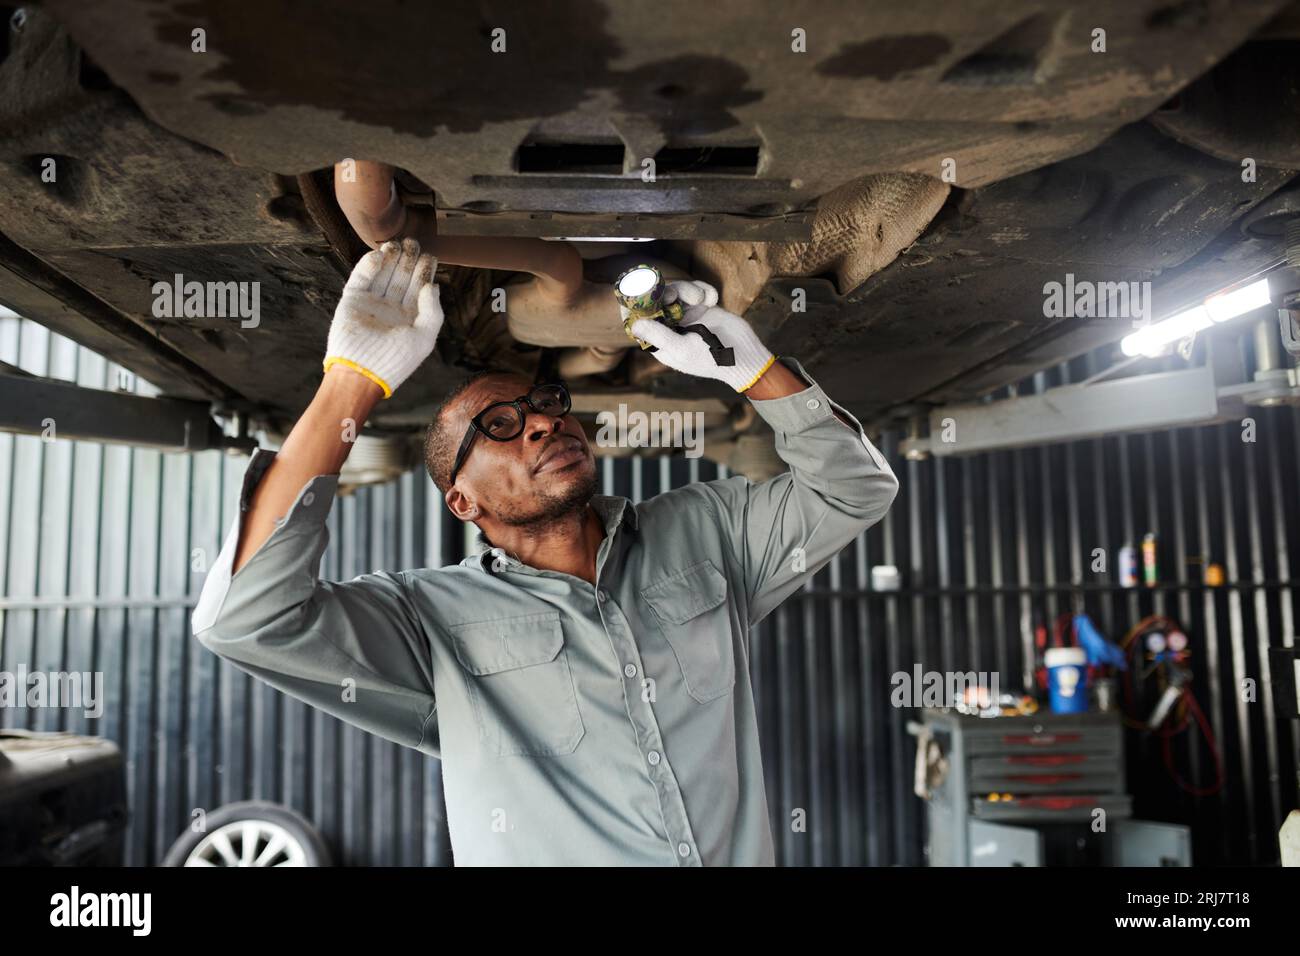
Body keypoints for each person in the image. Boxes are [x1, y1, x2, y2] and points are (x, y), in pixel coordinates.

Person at [192, 237, 899, 865]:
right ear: (461, 501)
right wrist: (352, 380)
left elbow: (856, 489)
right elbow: (245, 619)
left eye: (547, 407)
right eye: (500, 425)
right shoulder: (429, 621)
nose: (540, 425)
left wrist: (753, 368)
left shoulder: (704, 533)